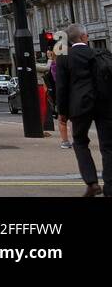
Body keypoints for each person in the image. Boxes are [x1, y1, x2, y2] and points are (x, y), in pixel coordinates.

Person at [56, 23, 112, 197]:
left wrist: (62, 112)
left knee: (80, 142)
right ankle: (110, 187)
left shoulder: (64, 57)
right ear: (84, 37)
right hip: (105, 103)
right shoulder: (98, 53)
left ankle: (92, 182)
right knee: (108, 146)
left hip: (79, 105)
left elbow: (62, 87)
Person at [43, 51, 71, 148]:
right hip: (73, 94)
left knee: (62, 119)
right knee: (75, 119)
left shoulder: (54, 66)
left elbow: (55, 79)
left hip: (61, 95)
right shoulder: (69, 63)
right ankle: (78, 140)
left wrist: (50, 59)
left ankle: (65, 142)